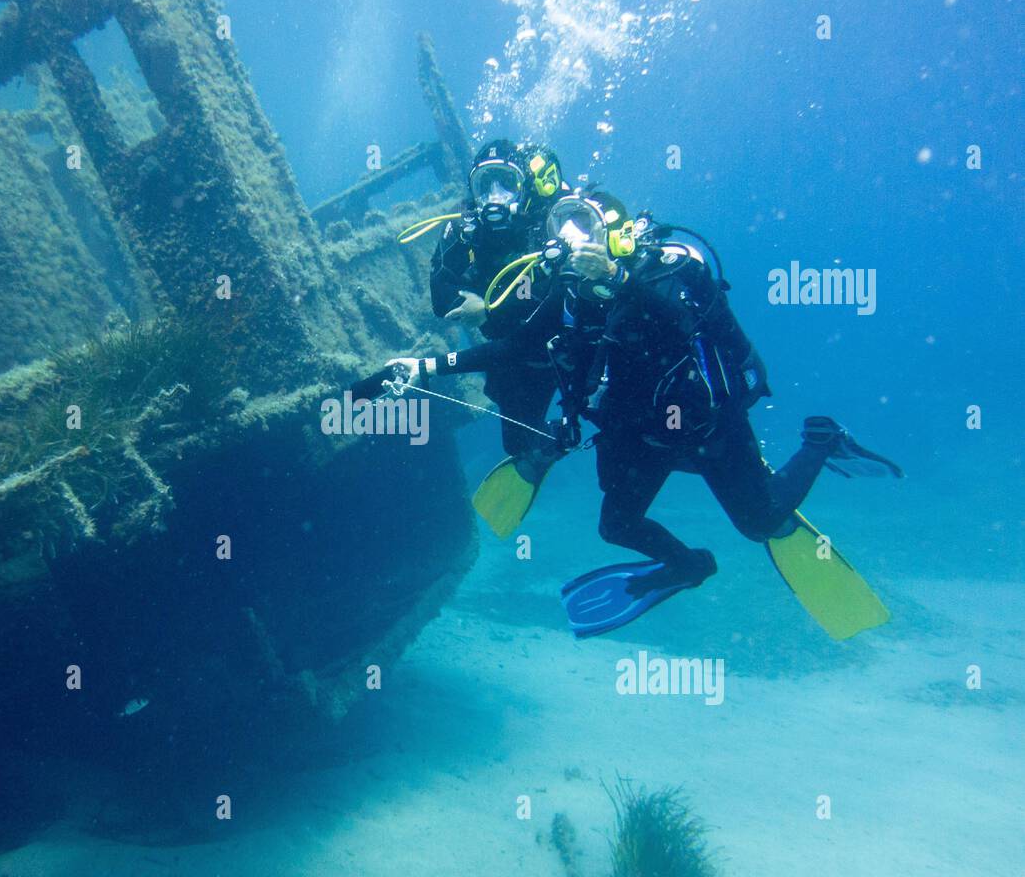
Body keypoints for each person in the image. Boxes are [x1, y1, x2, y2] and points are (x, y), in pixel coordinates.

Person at [545, 204, 903, 637]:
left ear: (617, 233)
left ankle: (821, 441)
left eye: (591, 233)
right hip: (644, 434)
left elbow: (678, 322)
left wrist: (619, 279)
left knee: (760, 521)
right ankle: (688, 566)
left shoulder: (670, 268)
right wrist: (567, 417)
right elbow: (569, 364)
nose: (580, 248)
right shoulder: (578, 296)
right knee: (616, 524)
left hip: (707, 426)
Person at [378, 140, 574, 537]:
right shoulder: (465, 231)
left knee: (584, 410)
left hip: (555, 350)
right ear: (473, 189)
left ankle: (573, 427)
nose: (495, 198)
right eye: (486, 186)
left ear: (524, 187)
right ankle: (555, 441)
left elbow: (538, 323)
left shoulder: (545, 230)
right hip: (504, 355)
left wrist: (485, 310)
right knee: (517, 444)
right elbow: (441, 301)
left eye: (506, 184)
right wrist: (460, 263)